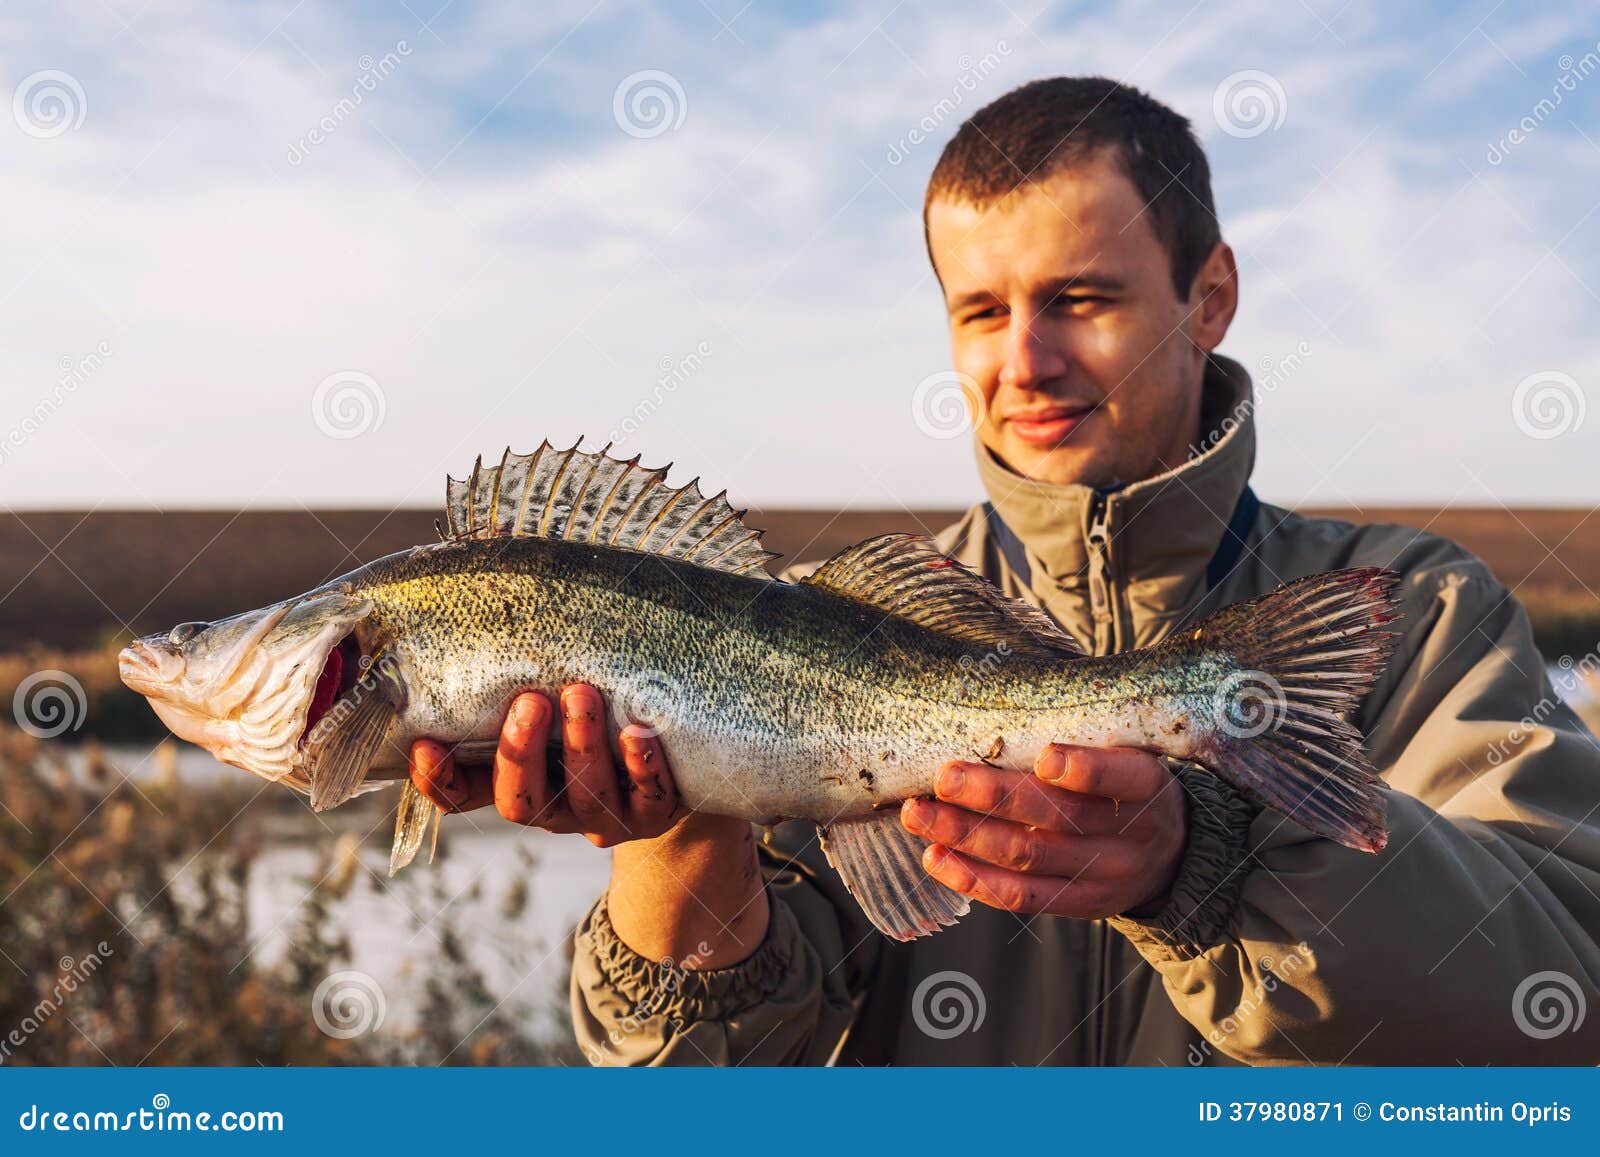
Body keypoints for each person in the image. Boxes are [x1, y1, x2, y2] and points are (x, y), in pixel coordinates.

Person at [407, 77, 1600, 1065]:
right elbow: (708, 1089)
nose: (1022, 360)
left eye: (1079, 299)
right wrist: (673, 832)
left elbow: (1564, 1003)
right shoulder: (815, 622)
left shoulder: (1422, 613)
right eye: (980, 310)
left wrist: (1206, 860)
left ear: (1211, 298)